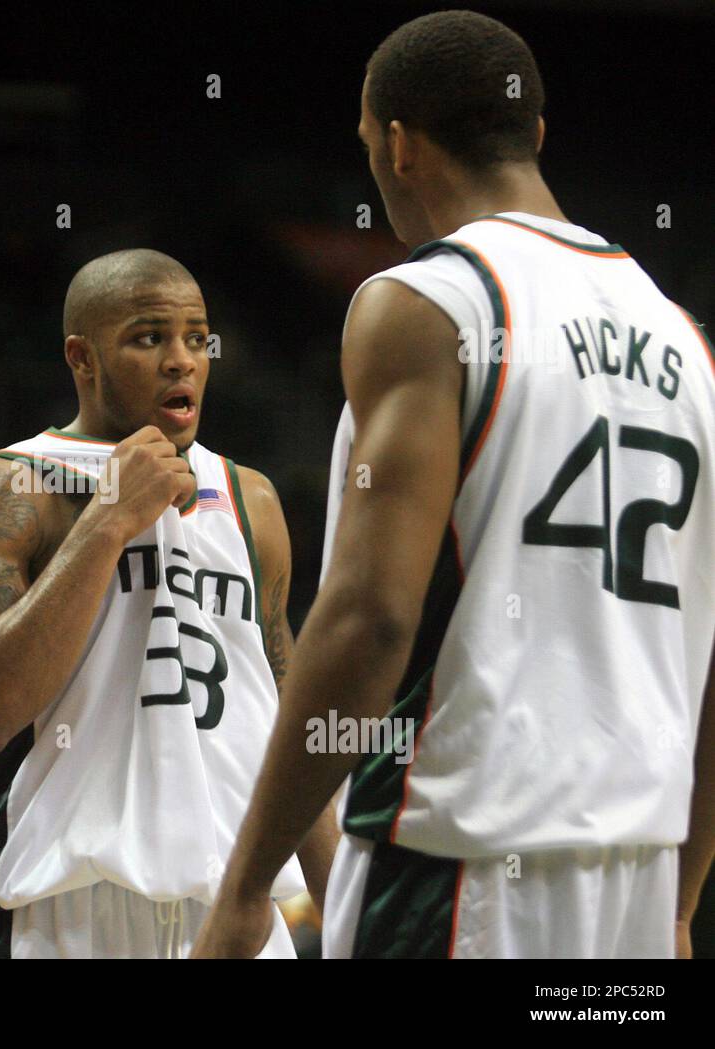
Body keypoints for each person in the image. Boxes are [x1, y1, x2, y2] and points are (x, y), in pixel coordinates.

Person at [193, 10, 715, 959]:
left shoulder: (432, 299)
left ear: (397, 144)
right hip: (634, 873)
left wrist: (244, 885)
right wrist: (678, 903)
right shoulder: (686, 337)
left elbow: (369, 618)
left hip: (460, 856)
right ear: (537, 136)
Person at [0, 248, 337, 959]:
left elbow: (286, 717)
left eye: (195, 337)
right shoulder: (4, 489)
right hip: (79, 908)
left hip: (237, 912)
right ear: (82, 358)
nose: (181, 359)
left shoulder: (252, 499)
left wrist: (345, 905)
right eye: (149, 338)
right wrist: (109, 521)